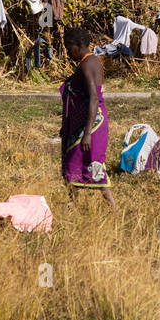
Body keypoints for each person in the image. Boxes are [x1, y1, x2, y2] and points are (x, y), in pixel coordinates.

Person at [60, 27, 114, 206]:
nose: (68, 53)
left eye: (69, 48)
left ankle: (111, 209)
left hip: (90, 125)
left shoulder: (87, 64)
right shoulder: (90, 61)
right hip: (85, 124)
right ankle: (74, 208)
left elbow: (93, 98)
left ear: (78, 45)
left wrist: (87, 133)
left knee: (88, 165)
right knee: (80, 164)